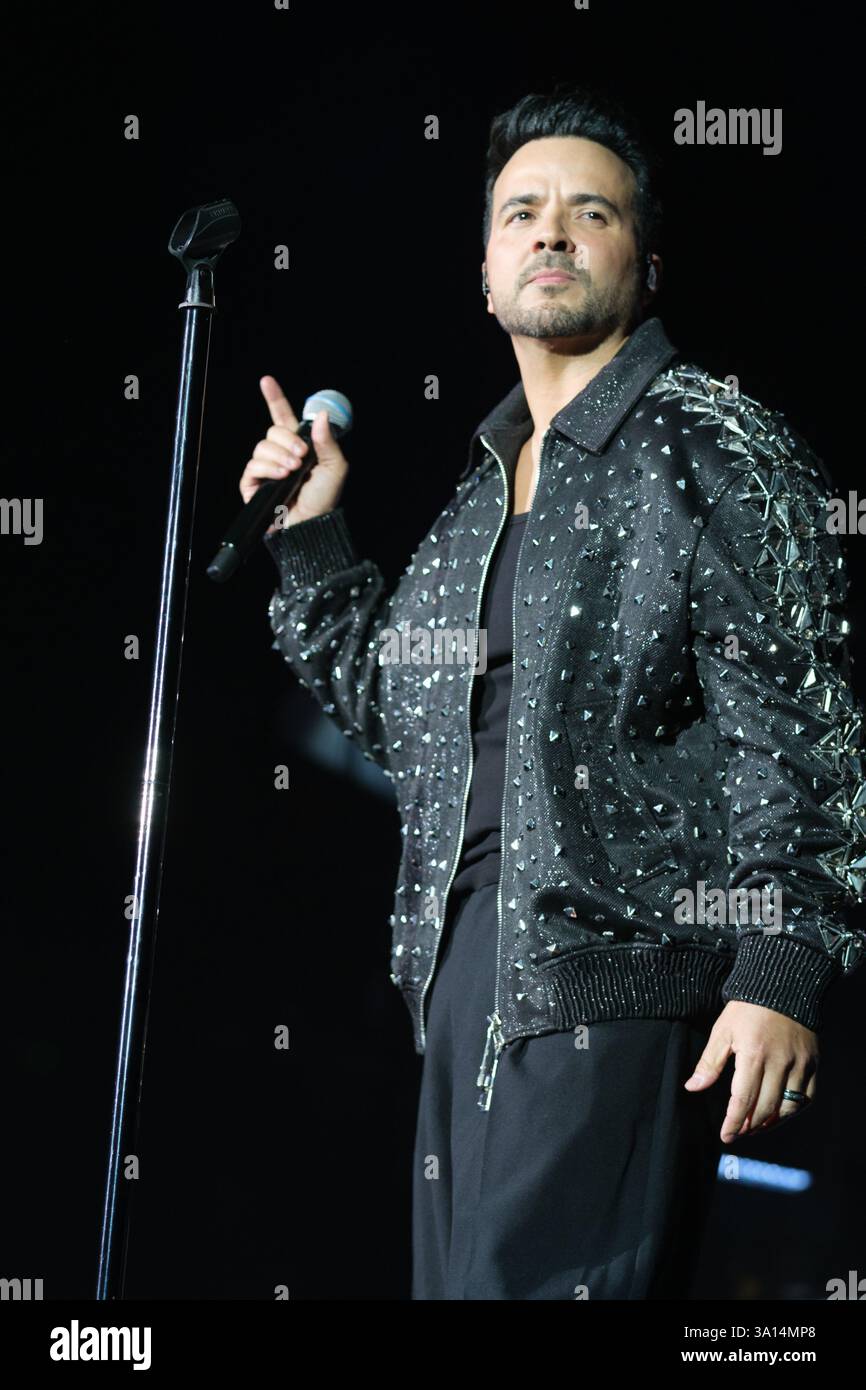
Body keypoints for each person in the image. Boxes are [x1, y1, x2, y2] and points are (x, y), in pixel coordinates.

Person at [238, 86, 866, 1299]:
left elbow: (801, 726)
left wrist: (782, 965)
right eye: (520, 212)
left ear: (644, 259)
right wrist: (313, 540)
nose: (551, 232)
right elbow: (403, 716)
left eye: (591, 211)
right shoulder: (480, 488)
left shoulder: (712, 444)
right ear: (484, 270)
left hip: (619, 982)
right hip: (459, 984)